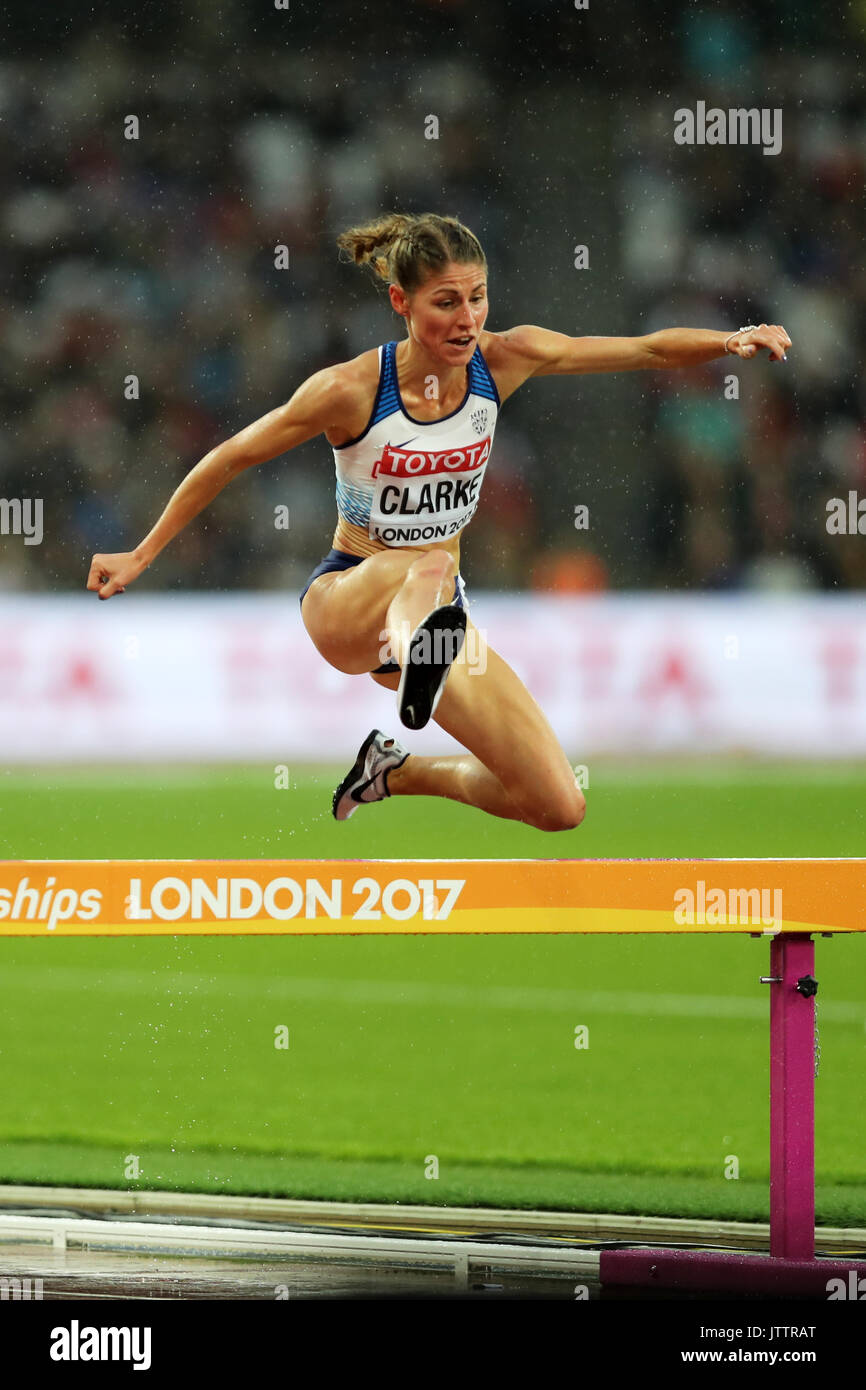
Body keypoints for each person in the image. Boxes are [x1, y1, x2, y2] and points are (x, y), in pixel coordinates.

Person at [87, 212, 791, 832]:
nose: (466, 320)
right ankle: (416, 640)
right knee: (429, 563)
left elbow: (643, 350)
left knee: (556, 804)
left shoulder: (505, 360)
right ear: (401, 302)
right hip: (348, 601)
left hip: (438, 612)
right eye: (445, 302)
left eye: (477, 299)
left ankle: (393, 771)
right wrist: (142, 555)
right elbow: (230, 457)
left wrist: (729, 341)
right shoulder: (349, 390)